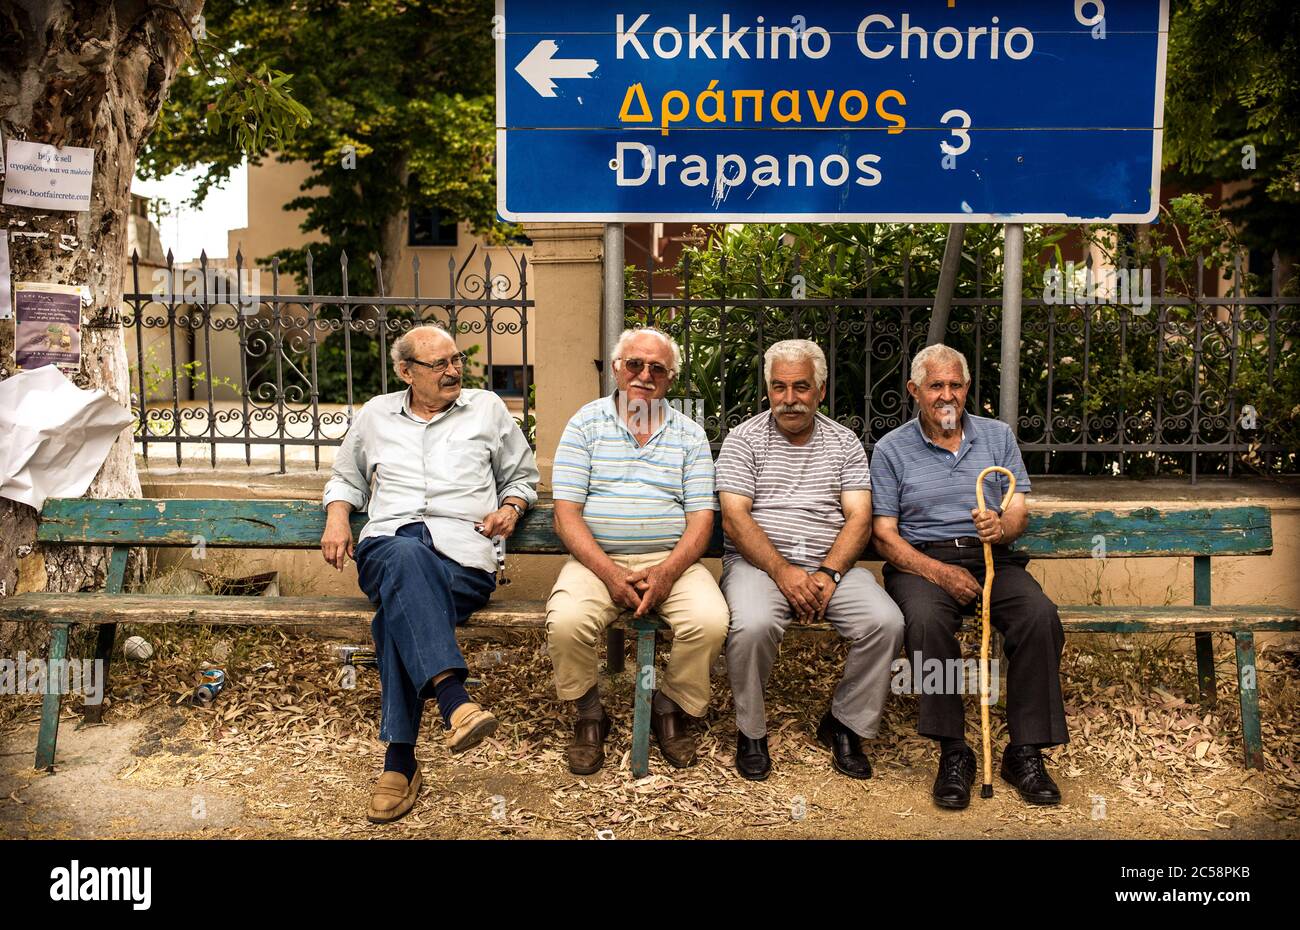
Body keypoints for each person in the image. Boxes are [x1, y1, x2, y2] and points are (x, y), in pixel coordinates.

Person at [320, 323, 539, 823]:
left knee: (397, 610)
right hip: (386, 550)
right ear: (405, 371)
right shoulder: (375, 414)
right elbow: (345, 477)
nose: (453, 370)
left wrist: (511, 508)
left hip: (463, 561)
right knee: (402, 554)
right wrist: (337, 517)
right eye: (438, 364)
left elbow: (523, 477)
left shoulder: (487, 409)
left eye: (456, 359)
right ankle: (454, 699)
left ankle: (400, 761)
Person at [870, 344, 1067, 810]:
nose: (947, 395)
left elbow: (1018, 507)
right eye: (936, 386)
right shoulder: (891, 448)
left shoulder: (997, 437)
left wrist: (1002, 527)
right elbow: (883, 535)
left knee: (1039, 616)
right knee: (924, 621)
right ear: (915, 391)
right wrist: (939, 573)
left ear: (967, 388)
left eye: (955, 385)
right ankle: (954, 750)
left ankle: (1025, 752)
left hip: (991, 556)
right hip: (922, 564)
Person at [717, 339, 904, 781]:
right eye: (779, 387)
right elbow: (734, 518)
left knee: (886, 622)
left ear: (820, 389)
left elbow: (860, 517)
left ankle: (844, 724)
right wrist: (783, 571)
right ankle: (752, 731)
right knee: (752, 625)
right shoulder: (744, 440)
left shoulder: (843, 442)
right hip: (759, 567)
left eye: (800, 387)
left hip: (830, 566)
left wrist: (828, 572)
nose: (789, 399)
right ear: (768, 390)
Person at [546, 327, 729, 775]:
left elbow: (701, 519)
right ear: (616, 368)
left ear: (670, 379)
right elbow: (566, 514)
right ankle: (590, 714)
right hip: (596, 562)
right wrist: (609, 573)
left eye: (657, 369)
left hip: (673, 561)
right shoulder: (585, 424)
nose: (644, 375)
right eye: (635, 364)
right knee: (566, 623)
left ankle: (669, 704)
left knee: (710, 622)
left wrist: (667, 571)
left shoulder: (689, 434)